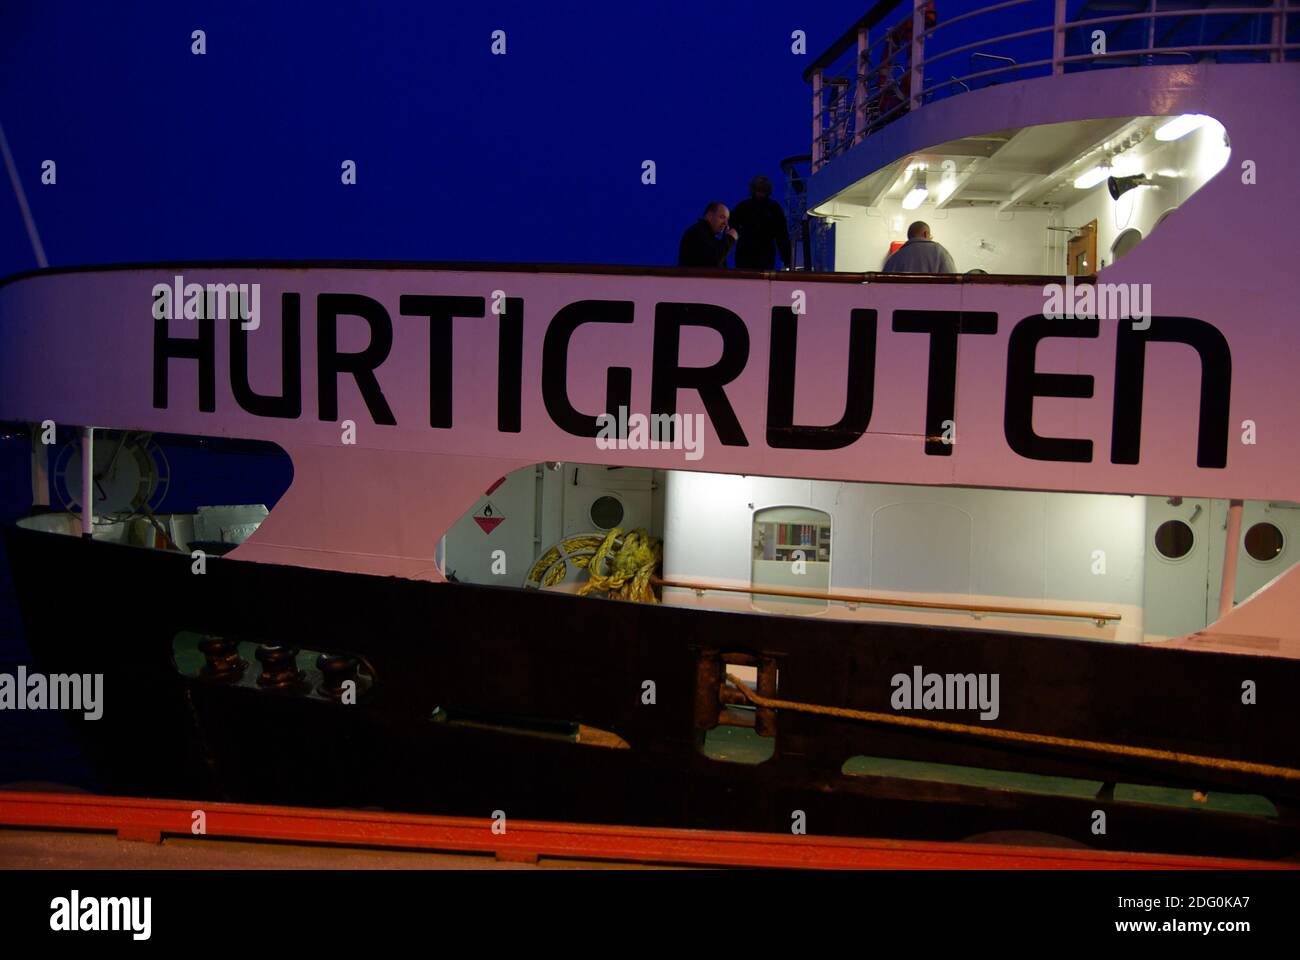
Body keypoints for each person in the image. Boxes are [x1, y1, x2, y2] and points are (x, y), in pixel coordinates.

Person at [730, 175, 792, 271]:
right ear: (753, 190)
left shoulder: (773, 208)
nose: (761, 193)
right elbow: (732, 224)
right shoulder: (744, 207)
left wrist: (787, 258)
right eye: (759, 190)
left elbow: (782, 234)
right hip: (746, 252)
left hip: (764, 254)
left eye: (763, 190)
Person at [678, 202, 737, 268]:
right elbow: (713, 261)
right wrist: (730, 239)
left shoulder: (709, 236)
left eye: (727, 220)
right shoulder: (697, 233)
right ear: (709, 216)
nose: (726, 223)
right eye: (722, 217)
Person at [882, 220, 956, 273]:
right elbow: (953, 282)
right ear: (926, 234)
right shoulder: (939, 252)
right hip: (933, 295)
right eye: (930, 236)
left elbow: (883, 286)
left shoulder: (894, 257)